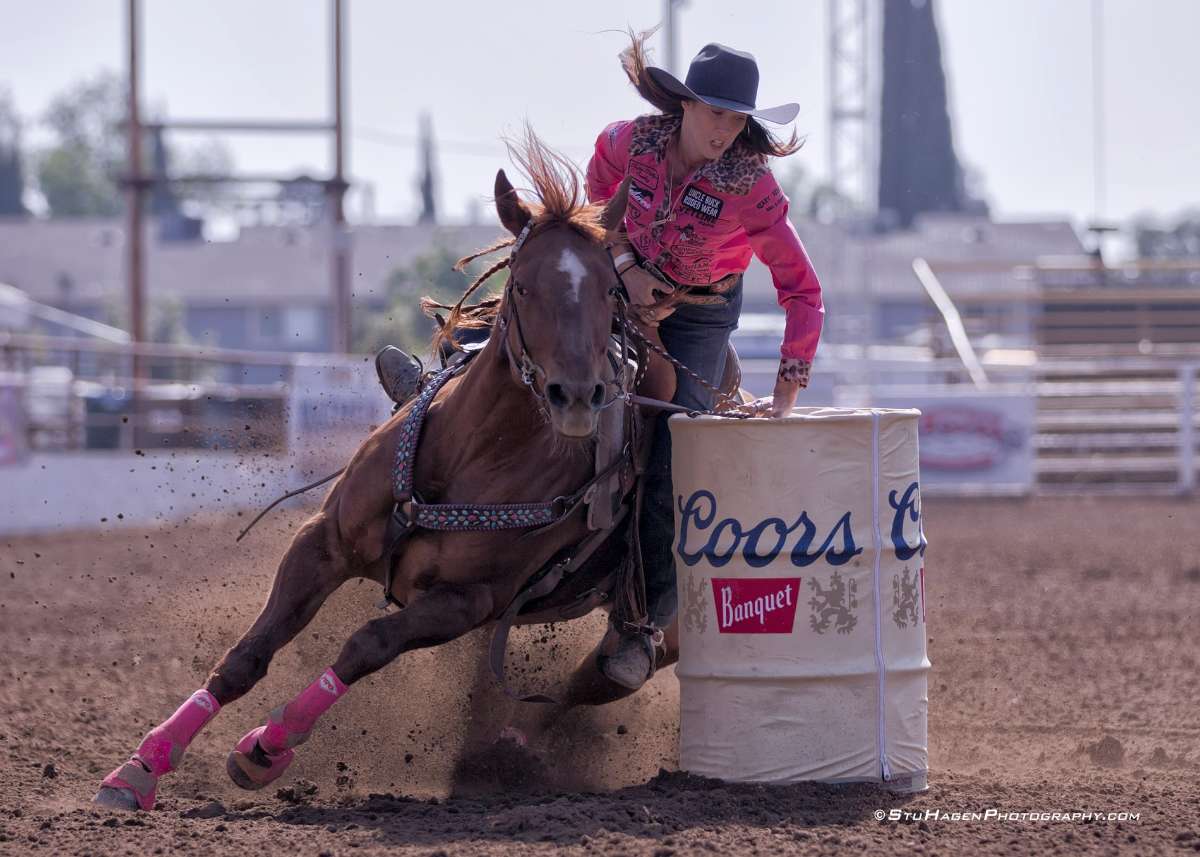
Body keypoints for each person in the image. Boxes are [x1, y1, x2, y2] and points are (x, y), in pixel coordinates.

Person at [586, 33, 824, 689]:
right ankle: (443, 380)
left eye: (737, 116)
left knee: (674, 442)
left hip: (699, 313)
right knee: (548, 299)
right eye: (715, 111)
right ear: (685, 104)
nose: (726, 128)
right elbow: (593, 193)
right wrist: (623, 261)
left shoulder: (752, 186)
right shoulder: (627, 142)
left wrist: (787, 393)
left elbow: (804, 290)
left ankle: (641, 625)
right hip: (623, 276)